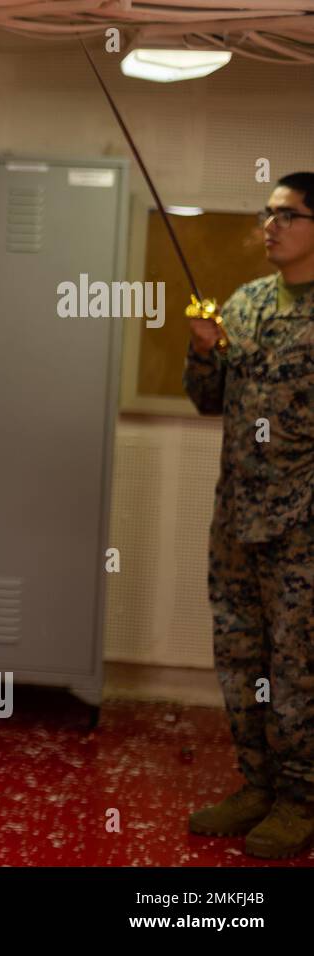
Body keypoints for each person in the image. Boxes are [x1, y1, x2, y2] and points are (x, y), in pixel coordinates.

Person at [184, 171, 314, 859]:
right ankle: (257, 784)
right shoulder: (246, 303)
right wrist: (205, 350)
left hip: (303, 527)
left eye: (287, 215)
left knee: (298, 668)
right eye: (267, 213)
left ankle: (300, 799)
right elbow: (208, 400)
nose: (271, 225)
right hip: (236, 518)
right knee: (241, 658)